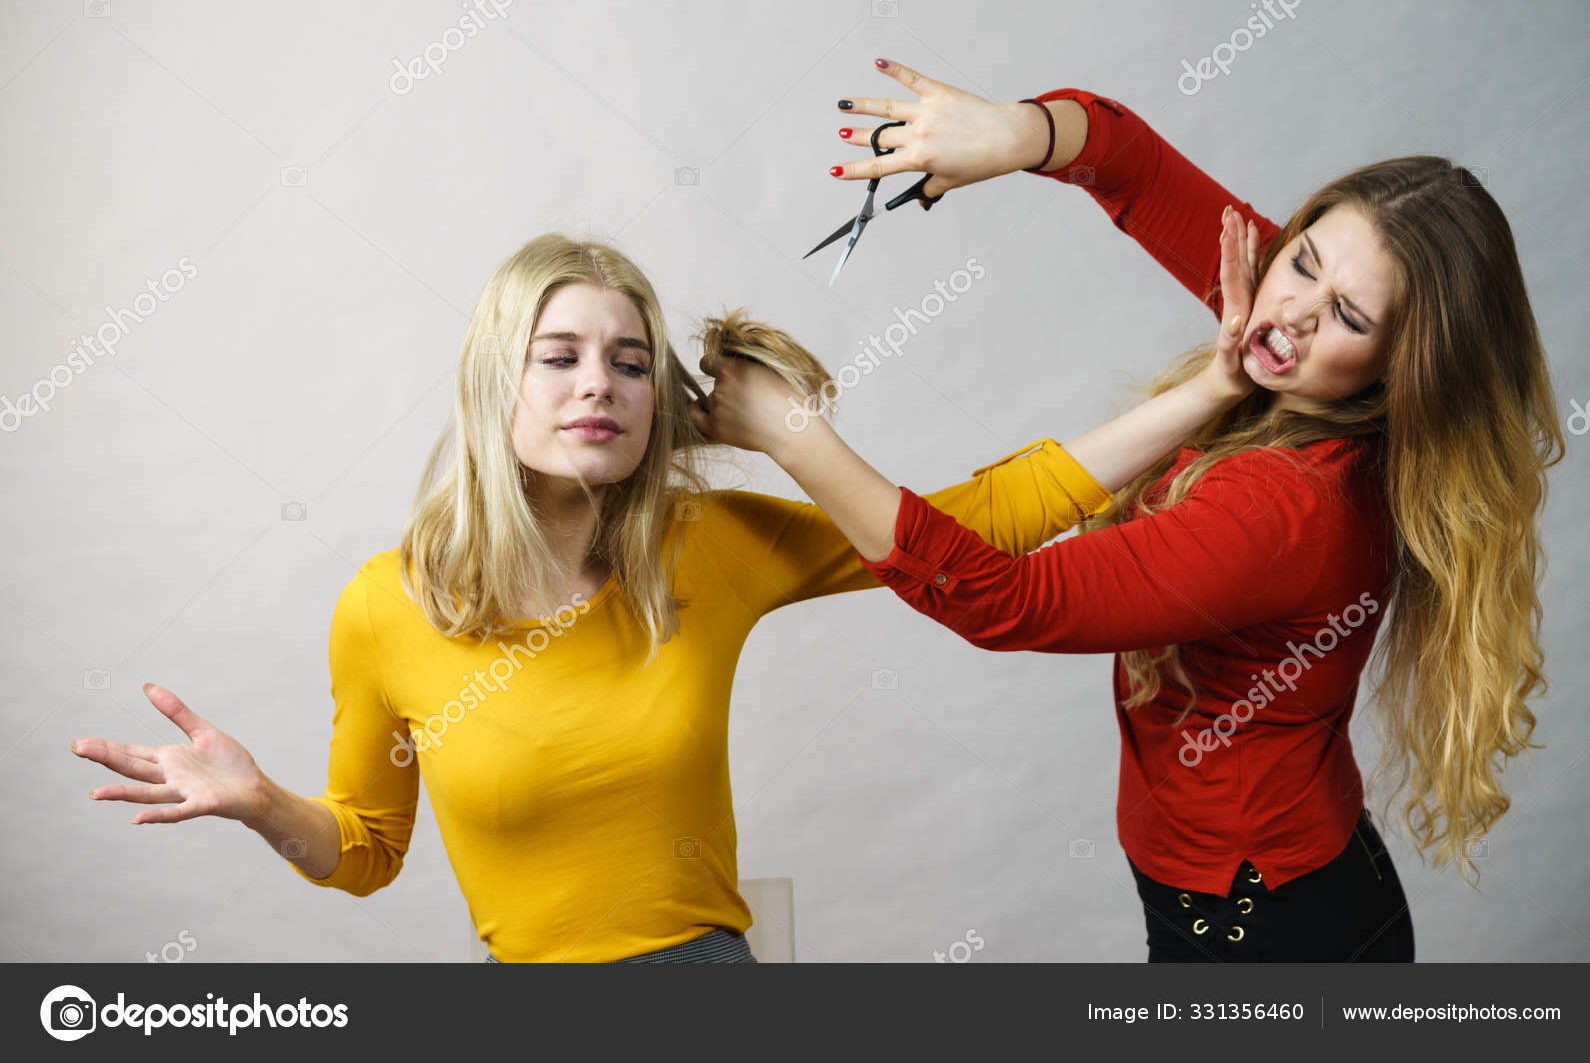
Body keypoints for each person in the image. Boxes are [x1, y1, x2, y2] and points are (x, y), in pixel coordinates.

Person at [68, 231, 1230, 963]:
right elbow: (368, 850)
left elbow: (976, 516)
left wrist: (1212, 387)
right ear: (494, 384)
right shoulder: (386, 603)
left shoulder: (703, 542)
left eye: (629, 361)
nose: (600, 385)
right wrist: (264, 800)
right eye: (559, 354)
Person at [693, 59, 1565, 961]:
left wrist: (794, 436)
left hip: (1264, 923)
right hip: (1270, 875)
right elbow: (1135, 166)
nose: (1294, 311)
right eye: (1301, 258)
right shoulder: (1285, 333)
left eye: (1347, 314)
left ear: (1401, 363)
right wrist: (1013, 135)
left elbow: (1006, 600)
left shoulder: (1291, 510)